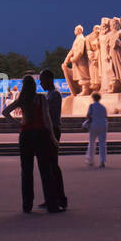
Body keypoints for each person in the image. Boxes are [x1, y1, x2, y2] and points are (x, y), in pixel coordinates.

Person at [2, 75, 63, 213]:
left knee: (26, 171)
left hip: (25, 135)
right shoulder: (41, 98)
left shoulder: (22, 100)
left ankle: (27, 205)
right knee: (45, 170)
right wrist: (53, 138)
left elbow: (5, 112)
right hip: (40, 134)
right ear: (34, 86)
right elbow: (47, 119)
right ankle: (52, 204)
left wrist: (19, 125)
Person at [38, 70, 68, 210]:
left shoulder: (55, 95)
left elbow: (49, 114)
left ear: (49, 80)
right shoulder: (49, 95)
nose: (41, 83)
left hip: (53, 130)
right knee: (49, 166)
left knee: (53, 165)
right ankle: (51, 197)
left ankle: (60, 198)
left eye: (42, 80)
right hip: (48, 130)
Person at [82, 92, 108, 167]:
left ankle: (90, 160)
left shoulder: (92, 106)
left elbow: (88, 116)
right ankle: (102, 161)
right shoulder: (103, 107)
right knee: (102, 143)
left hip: (94, 125)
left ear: (93, 98)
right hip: (103, 125)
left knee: (92, 143)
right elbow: (105, 117)